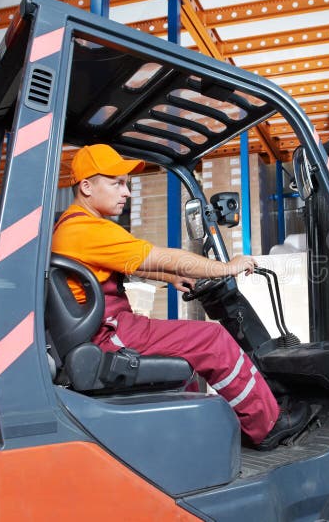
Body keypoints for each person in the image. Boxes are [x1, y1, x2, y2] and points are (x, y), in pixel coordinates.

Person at [52, 143, 309, 450]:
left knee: (187, 353)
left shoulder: (73, 225)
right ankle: (267, 424)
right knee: (212, 339)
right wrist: (223, 267)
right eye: (116, 183)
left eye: (127, 184)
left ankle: (195, 431)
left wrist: (171, 278)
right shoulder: (87, 229)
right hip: (109, 333)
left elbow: (134, 265)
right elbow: (160, 256)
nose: (127, 193)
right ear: (86, 186)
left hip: (107, 328)